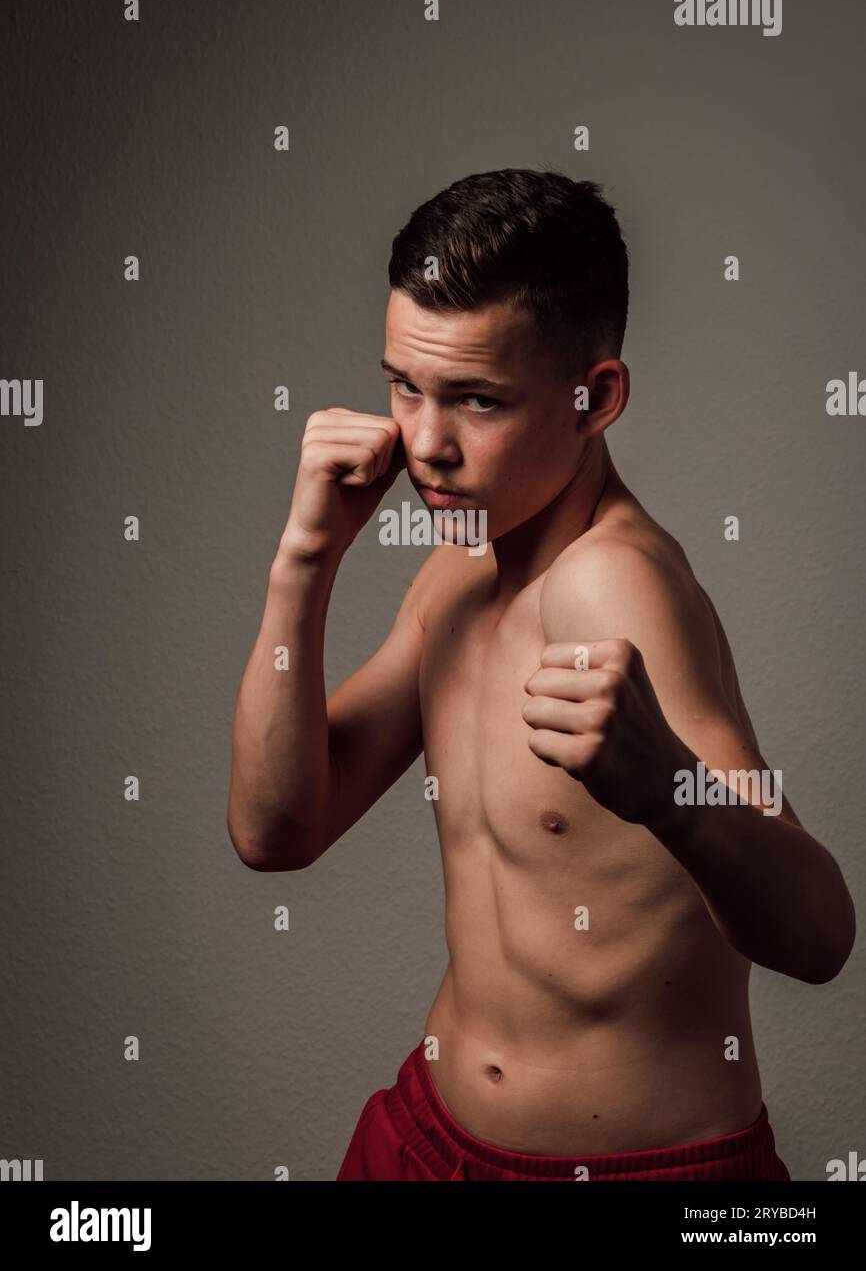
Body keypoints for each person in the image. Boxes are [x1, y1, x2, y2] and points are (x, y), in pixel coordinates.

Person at [227, 168, 855, 1181]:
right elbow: (274, 831)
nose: (426, 446)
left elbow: (822, 933)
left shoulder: (614, 587)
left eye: (476, 400)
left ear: (593, 397)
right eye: (403, 385)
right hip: (427, 1140)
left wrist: (670, 790)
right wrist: (302, 562)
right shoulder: (455, 571)